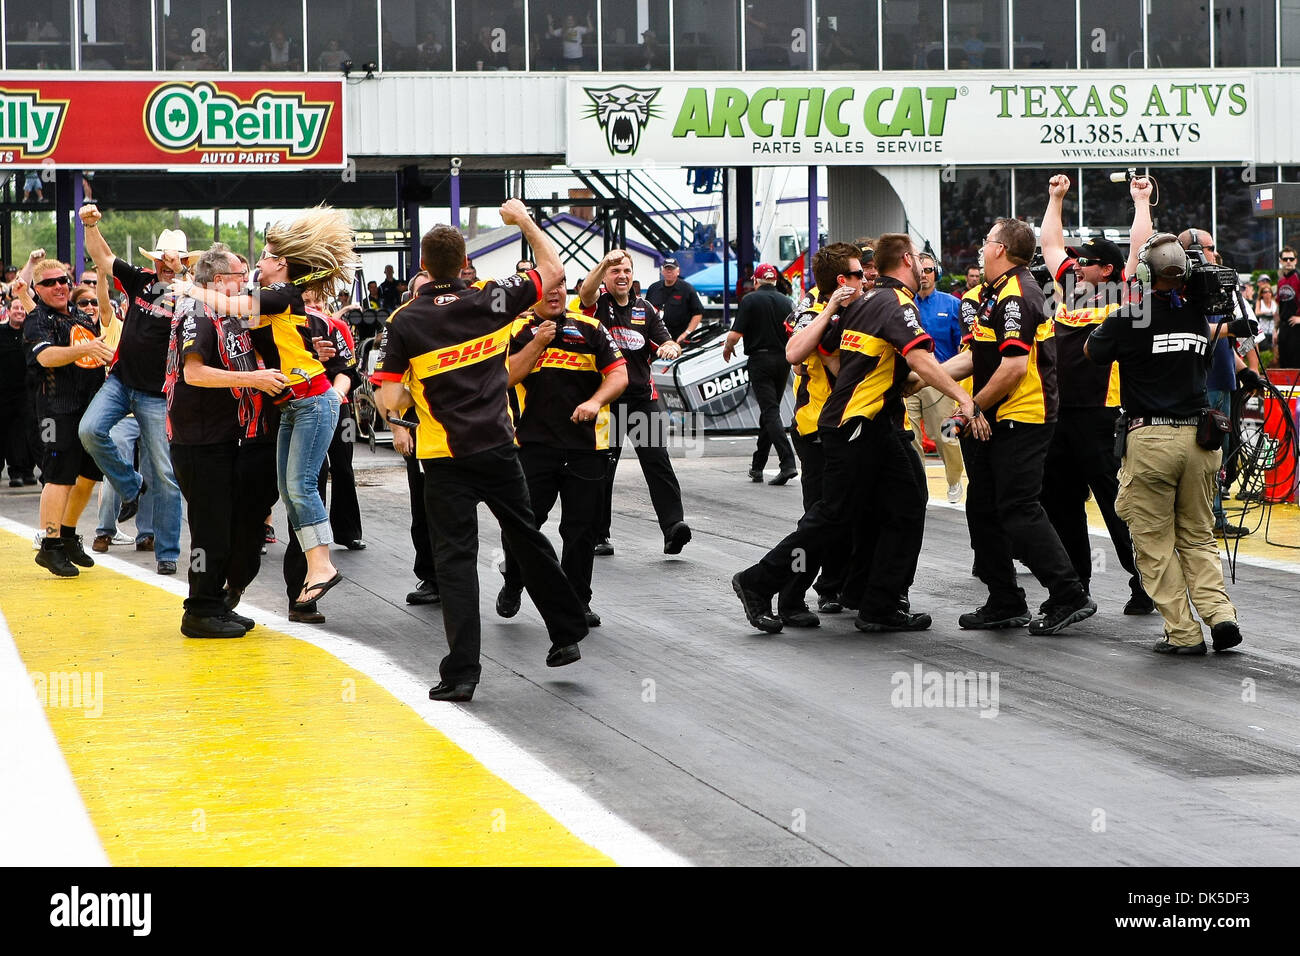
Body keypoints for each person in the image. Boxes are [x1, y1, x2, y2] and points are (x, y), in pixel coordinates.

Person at [375, 201, 588, 703]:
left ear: (423, 268)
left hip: (443, 459)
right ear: (464, 260)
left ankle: (462, 674)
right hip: (497, 446)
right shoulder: (492, 299)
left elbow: (387, 398)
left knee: (454, 562)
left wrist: (413, 394)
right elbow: (555, 272)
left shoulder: (407, 321)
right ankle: (567, 629)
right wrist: (523, 221)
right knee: (527, 538)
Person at [732, 234, 981, 634]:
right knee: (835, 516)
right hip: (853, 426)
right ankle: (759, 582)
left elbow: (835, 355)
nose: (925, 266)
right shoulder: (891, 301)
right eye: (920, 259)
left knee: (902, 504)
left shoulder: (865, 301)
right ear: (906, 260)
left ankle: (875, 602)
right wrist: (961, 399)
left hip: (870, 425)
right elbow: (916, 356)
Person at [173, 206, 360, 611]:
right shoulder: (275, 295)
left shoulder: (281, 293)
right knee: (291, 493)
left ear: (281, 264)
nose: (256, 263)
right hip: (293, 405)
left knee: (302, 487)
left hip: (312, 400)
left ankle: (321, 566)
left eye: (264, 256)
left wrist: (188, 286)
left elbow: (233, 307)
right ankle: (312, 569)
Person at [1085, 233, 1244, 655]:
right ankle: (1221, 615)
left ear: (1140, 274)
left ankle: (1184, 633)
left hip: (1151, 438)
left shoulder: (1128, 317)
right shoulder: (1198, 315)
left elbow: (1092, 351)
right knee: (1198, 535)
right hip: (1200, 440)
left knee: (1154, 542)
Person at [941, 218, 1097, 636]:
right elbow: (975, 356)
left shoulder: (1019, 295)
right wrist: (921, 377)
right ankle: (1005, 599)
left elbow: (1011, 369)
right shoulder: (992, 293)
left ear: (1001, 250)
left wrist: (968, 408)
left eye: (987, 240)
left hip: (1023, 415)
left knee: (1018, 508)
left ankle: (1069, 592)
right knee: (983, 507)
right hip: (995, 414)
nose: (980, 247)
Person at [1038, 173, 1154, 615]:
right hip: (1060, 416)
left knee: (1118, 506)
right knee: (1060, 504)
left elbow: (1141, 252)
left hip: (1103, 417)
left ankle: (1143, 583)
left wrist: (1140, 202)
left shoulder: (1125, 291)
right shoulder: (1065, 290)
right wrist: (1055, 198)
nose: (1075, 265)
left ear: (1106, 269)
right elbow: (1050, 245)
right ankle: (1074, 587)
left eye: (1084, 261)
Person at [167, 246, 288, 639]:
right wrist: (254, 380)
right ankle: (199, 609)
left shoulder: (231, 312)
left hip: (231, 439)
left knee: (232, 525)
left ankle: (217, 601)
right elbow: (195, 374)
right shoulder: (196, 312)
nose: (247, 280)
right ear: (219, 281)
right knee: (210, 530)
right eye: (241, 275)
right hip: (199, 440)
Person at [497, 279, 628, 626]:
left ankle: (577, 601)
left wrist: (596, 400)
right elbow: (504, 378)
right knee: (522, 525)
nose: (555, 293)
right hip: (534, 446)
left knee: (581, 529)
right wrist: (539, 342)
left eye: (562, 286)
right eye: (548, 287)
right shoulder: (517, 330)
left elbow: (619, 376)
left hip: (587, 447)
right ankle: (513, 582)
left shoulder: (591, 327)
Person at [77, 207, 190, 575]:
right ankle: (131, 486)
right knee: (89, 430)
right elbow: (102, 257)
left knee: (166, 473)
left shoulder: (192, 296)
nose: (165, 266)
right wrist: (91, 225)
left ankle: (168, 551)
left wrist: (183, 275)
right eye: (162, 260)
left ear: (184, 263)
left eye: (172, 261)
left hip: (158, 395)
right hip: (121, 381)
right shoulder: (141, 279)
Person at [579, 249, 689, 556]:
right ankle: (600, 534)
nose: (622, 276)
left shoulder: (646, 309)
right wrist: (602, 264)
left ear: (633, 274)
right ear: (606, 277)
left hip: (643, 400)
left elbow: (664, 339)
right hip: (606, 403)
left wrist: (670, 348)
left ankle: (673, 528)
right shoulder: (597, 304)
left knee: (658, 463)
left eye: (626, 270)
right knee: (603, 469)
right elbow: (585, 292)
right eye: (615, 272)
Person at [778, 241, 863, 620]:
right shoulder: (810, 310)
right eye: (860, 273)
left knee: (847, 515)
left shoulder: (863, 308)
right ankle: (791, 594)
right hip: (814, 428)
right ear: (840, 280)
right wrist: (829, 312)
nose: (867, 278)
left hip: (850, 427)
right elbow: (794, 357)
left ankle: (834, 587)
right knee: (816, 520)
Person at [24, 260, 112, 576]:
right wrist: (86, 347)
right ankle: (50, 545)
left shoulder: (78, 315)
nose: (59, 286)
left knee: (89, 475)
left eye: (63, 280)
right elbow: (45, 356)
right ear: (37, 289)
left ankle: (68, 533)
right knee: (58, 477)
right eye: (50, 283)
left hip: (89, 409)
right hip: (56, 409)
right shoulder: (37, 320)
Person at [371, 270, 440, 606]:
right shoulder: (401, 326)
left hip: (462, 428)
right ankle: (431, 576)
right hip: (417, 426)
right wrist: (397, 427)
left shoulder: (461, 322)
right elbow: (382, 387)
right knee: (424, 506)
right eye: (422, 291)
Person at [723, 263, 798, 484]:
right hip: (783, 359)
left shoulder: (750, 300)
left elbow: (735, 334)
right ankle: (758, 465)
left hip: (761, 360)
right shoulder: (787, 301)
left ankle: (788, 462)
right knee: (769, 410)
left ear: (756, 281)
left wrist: (728, 347)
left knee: (770, 410)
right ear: (774, 281)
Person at [903, 252, 966, 503]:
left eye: (928, 270)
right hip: (909, 379)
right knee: (912, 438)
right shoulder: (905, 302)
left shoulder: (952, 304)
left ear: (936, 273)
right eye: (920, 271)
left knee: (946, 435)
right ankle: (919, 487)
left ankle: (954, 479)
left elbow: (960, 346)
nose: (924, 275)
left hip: (940, 378)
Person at [1, 286, 40, 487]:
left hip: (28, 392)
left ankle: (27, 471)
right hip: (4, 393)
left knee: (28, 432)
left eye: (22, 309)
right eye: (15, 308)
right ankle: (14, 472)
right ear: (8, 311)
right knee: (9, 434)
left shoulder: (33, 333)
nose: (19, 311)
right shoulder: (1, 332)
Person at [645, 258, 705, 344]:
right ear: (662, 271)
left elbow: (698, 314)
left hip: (679, 339)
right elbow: (646, 312)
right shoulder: (653, 288)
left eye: (672, 269)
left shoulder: (687, 289)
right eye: (666, 269)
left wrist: (686, 333)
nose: (669, 271)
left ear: (678, 271)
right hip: (656, 339)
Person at [1275, 247, 1300, 368]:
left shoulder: (1298, 278)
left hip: (1297, 328)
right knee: (1284, 362)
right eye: (1285, 259)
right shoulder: (1281, 281)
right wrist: (1275, 329)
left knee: (1296, 364)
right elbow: (1279, 306)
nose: (1288, 261)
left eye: (1291, 258)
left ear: (1296, 261)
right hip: (1284, 327)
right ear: (1281, 261)